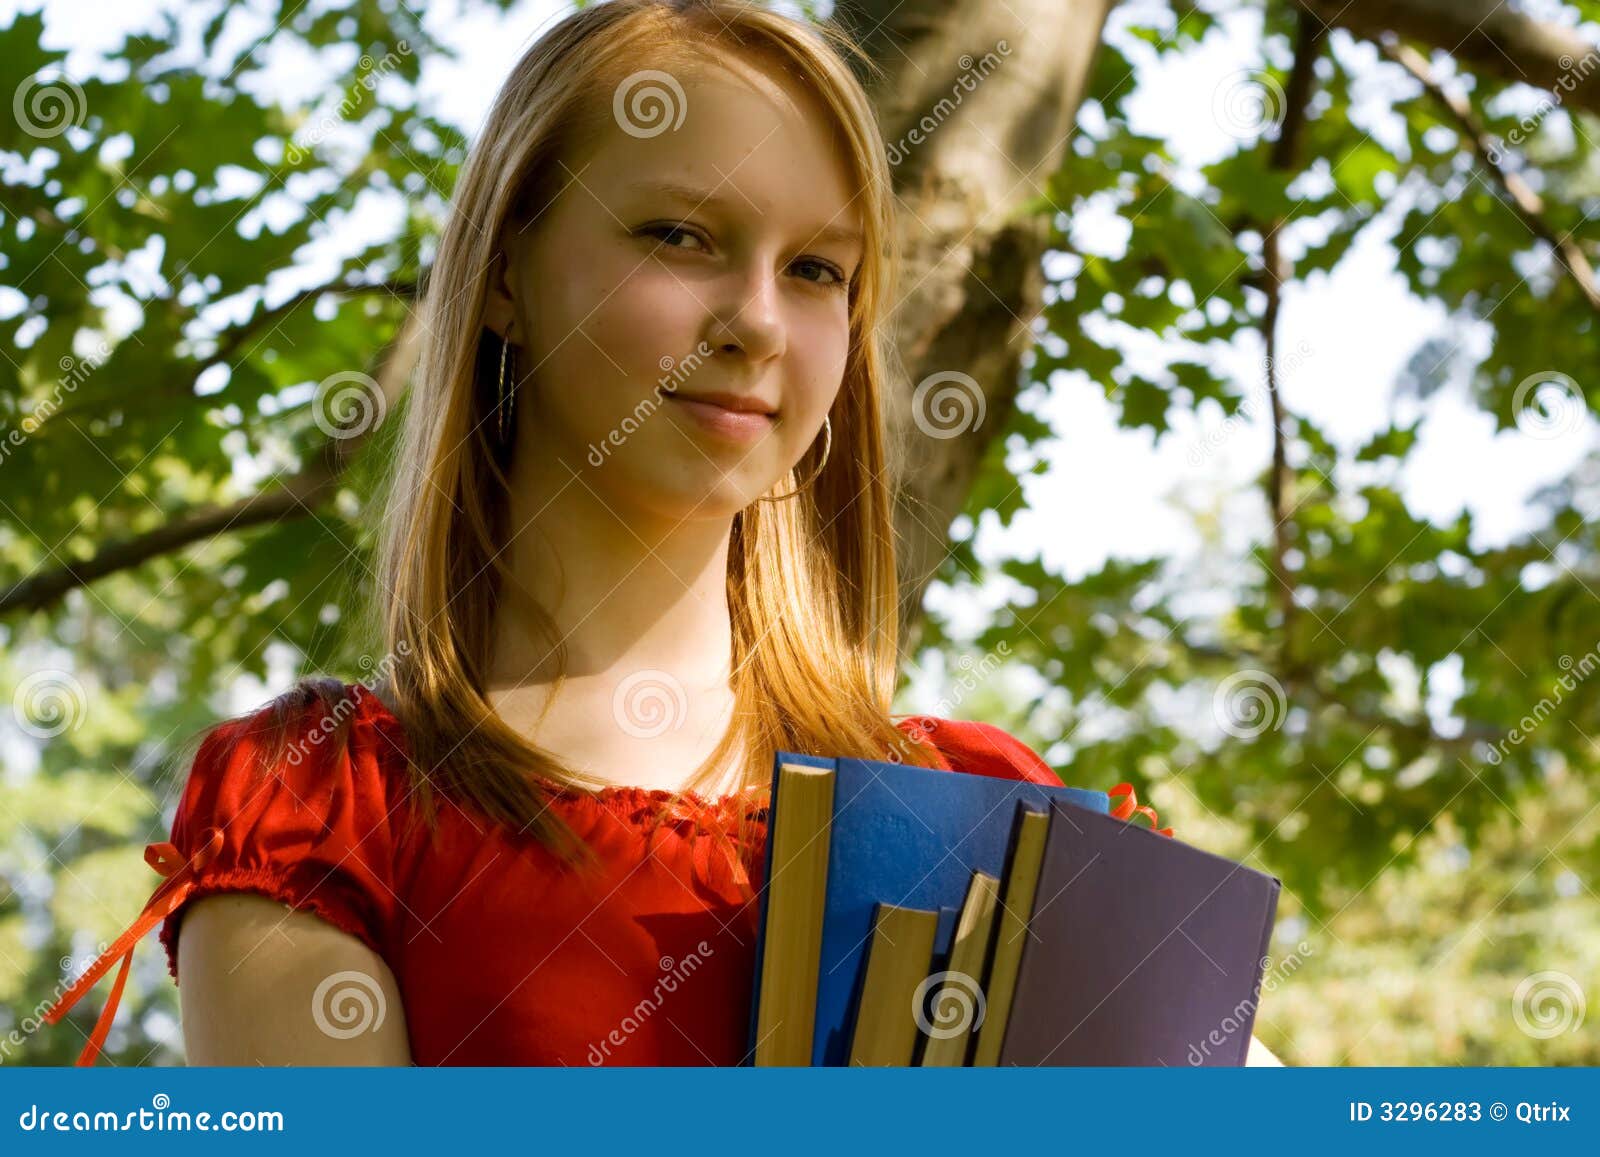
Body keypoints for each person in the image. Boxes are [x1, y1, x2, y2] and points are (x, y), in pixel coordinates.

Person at [41, 0, 1200, 1067]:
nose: (757, 320)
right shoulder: (322, 806)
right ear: (507, 274)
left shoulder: (986, 813)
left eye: (815, 268)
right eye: (680, 236)